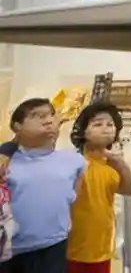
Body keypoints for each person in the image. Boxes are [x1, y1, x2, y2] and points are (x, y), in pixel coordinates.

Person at [3, 98, 86, 273]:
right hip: (10, 251)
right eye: (37, 116)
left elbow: (73, 197)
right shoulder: (5, 162)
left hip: (53, 247)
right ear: (17, 126)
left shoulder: (74, 161)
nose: (48, 120)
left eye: (51, 115)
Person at [67, 102, 131, 273]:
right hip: (71, 247)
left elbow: (130, 190)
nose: (105, 128)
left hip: (101, 246)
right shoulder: (74, 164)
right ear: (84, 132)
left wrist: (122, 165)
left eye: (110, 124)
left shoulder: (112, 166)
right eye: (97, 124)